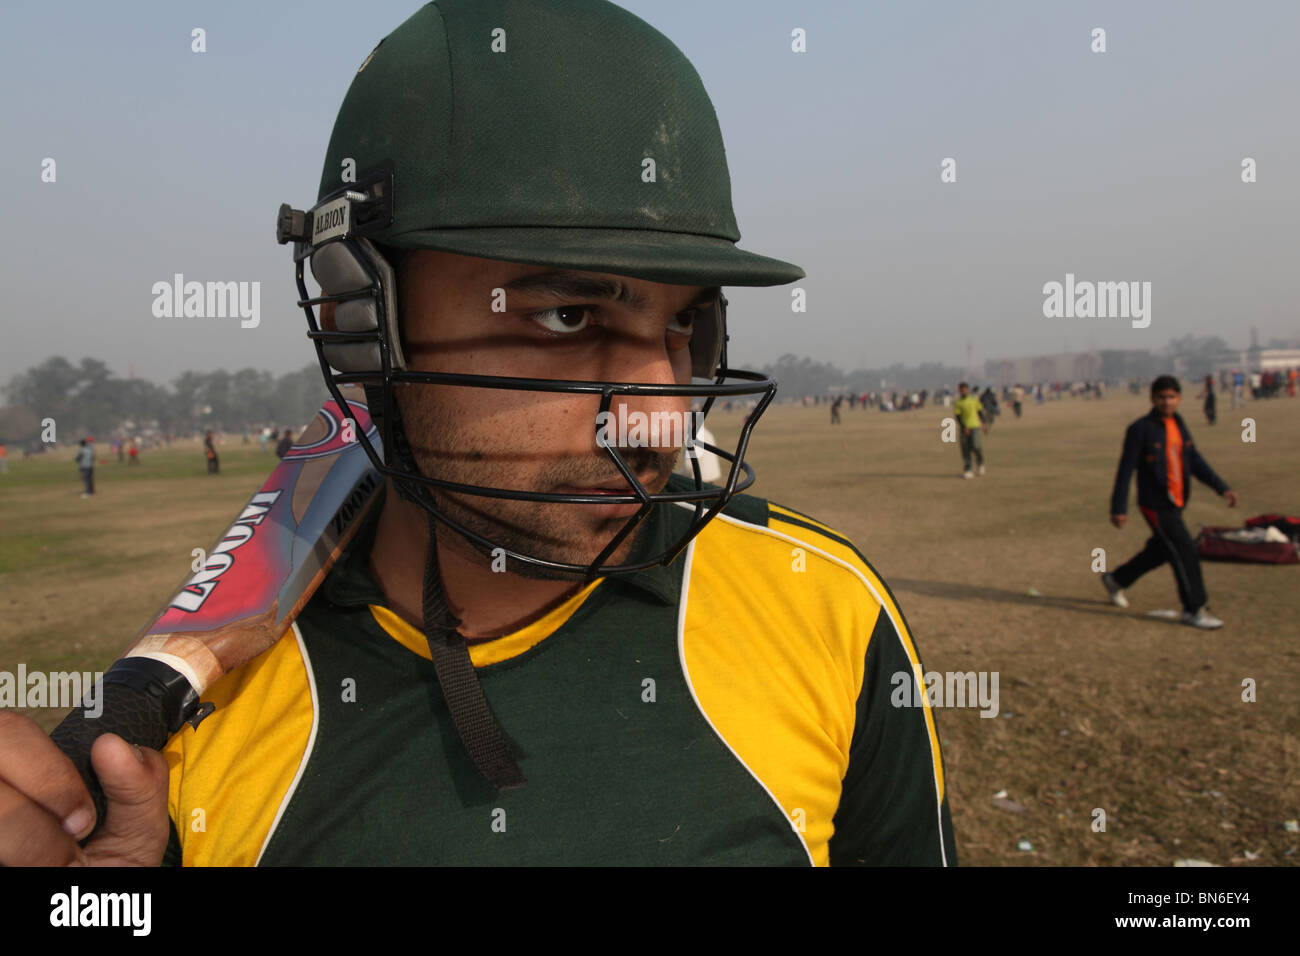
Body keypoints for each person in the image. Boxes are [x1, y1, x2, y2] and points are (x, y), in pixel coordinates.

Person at [1, 0, 953, 869]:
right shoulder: (173, 752)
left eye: (684, 325)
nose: (661, 410)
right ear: (355, 315)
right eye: (568, 319)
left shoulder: (826, 614)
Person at [1103, 375, 1238, 629]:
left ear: (1179, 399)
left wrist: (1222, 488)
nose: (1167, 402)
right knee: (1185, 550)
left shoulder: (1178, 423)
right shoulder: (1140, 428)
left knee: (1162, 550)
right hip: (1155, 503)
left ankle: (1116, 580)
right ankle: (1195, 609)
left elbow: (1194, 460)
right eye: (1162, 397)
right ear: (1152, 399)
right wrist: (1118, 508)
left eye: (1172, 397)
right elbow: (1125, 470)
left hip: (1176, 501)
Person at [953, 382, 984, 478]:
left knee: (976, 446)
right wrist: (964, 428)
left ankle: (980, 463)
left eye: (965, 389)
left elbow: (979, 411)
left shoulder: (974, 400)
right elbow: (958, 416)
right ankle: (968, 469)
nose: (963, 391)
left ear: (968, 389)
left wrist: (984, 423)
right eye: (961, 390)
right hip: (964, 428)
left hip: (975, 426)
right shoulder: (958, 402)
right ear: (959, 391)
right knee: (965, 449)